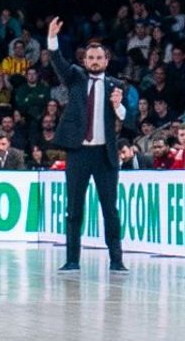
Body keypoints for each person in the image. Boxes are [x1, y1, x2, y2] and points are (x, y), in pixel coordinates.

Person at [41, 17, 136, 270]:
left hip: (105, 155)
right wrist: (52, 38)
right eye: (90, 58)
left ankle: (117, 261)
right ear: (84, 61)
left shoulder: (117, 86)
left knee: (110, 210)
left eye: (98, 58)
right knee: (74, 209)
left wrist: (118, 106)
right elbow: (57, 60)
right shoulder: (75, 77)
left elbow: (128, 119)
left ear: (106, 61)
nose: (94, 61)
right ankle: (72, 260)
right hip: (79, 152)